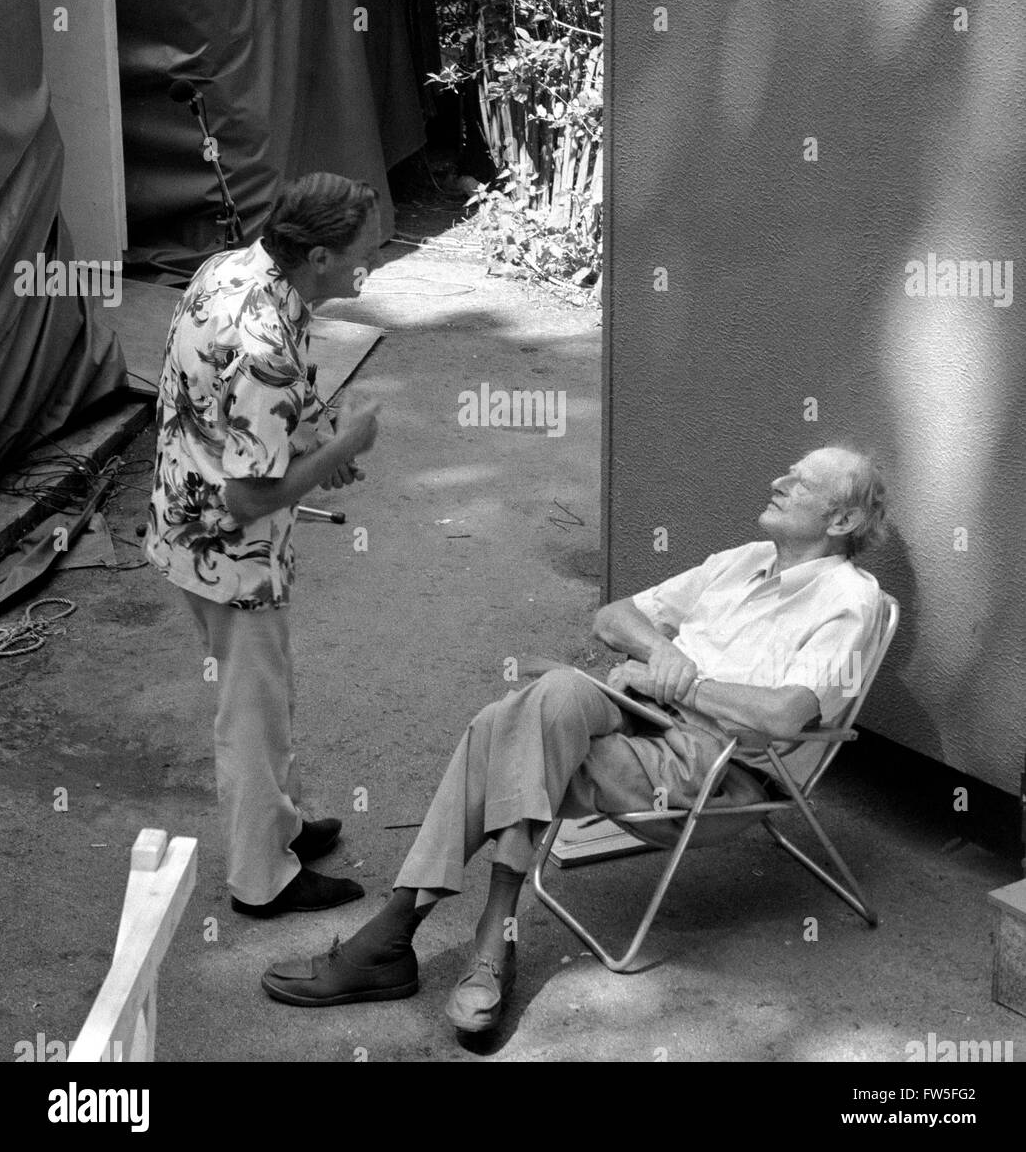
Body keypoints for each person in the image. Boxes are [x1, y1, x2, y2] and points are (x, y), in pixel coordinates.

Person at [261, 443, 888, 1030]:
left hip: (716, 763)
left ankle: (420, 937)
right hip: (637, 706)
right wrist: (664, 653)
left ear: (842, 520)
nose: (779, 481)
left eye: (800, 482)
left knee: (503, 729)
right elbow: (613, 618)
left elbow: (784, 716)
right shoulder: (740, 562)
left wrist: (685, 685)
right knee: (552, 697)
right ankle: (460, 944)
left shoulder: (848, 600)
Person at [145, 172, 382, 917]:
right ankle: (262, 879)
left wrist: (313, 437)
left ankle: (282, 825)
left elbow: (244, 405)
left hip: (183, 517)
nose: (363, 269)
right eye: (357, 256)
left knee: (266, 696)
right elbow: (254, 496)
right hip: (230, 552)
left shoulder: (235, 268)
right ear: (315, 255)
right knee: (250, 716)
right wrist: (339, 446)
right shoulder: (266, 345)